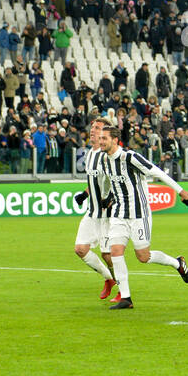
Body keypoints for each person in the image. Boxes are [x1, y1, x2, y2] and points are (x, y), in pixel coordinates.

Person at [96, 121, 188, 309]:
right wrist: (105, 197)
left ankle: (177, 263)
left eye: (104, 138)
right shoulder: (104, 159)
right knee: (115, 251)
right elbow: (106, 179)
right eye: (100, 138)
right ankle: (126, 298)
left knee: (143, 256)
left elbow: (157, 172)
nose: (100, 141)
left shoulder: (130, 157)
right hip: (118, 214)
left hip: (139, 213)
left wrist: (181, 191)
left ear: (115, 140)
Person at [72, 117, 117, 297]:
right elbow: (96, 181)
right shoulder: (90, 153)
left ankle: (124, 290)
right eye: (92, 127)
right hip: (92, 211)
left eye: (97, 128)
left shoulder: (107, 155)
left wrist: (111, 198)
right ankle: (109, 279)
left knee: (108, 255)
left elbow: (115, 181)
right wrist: (85, 194)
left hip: (106, 213)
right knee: (80, 249)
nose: (92, 130)